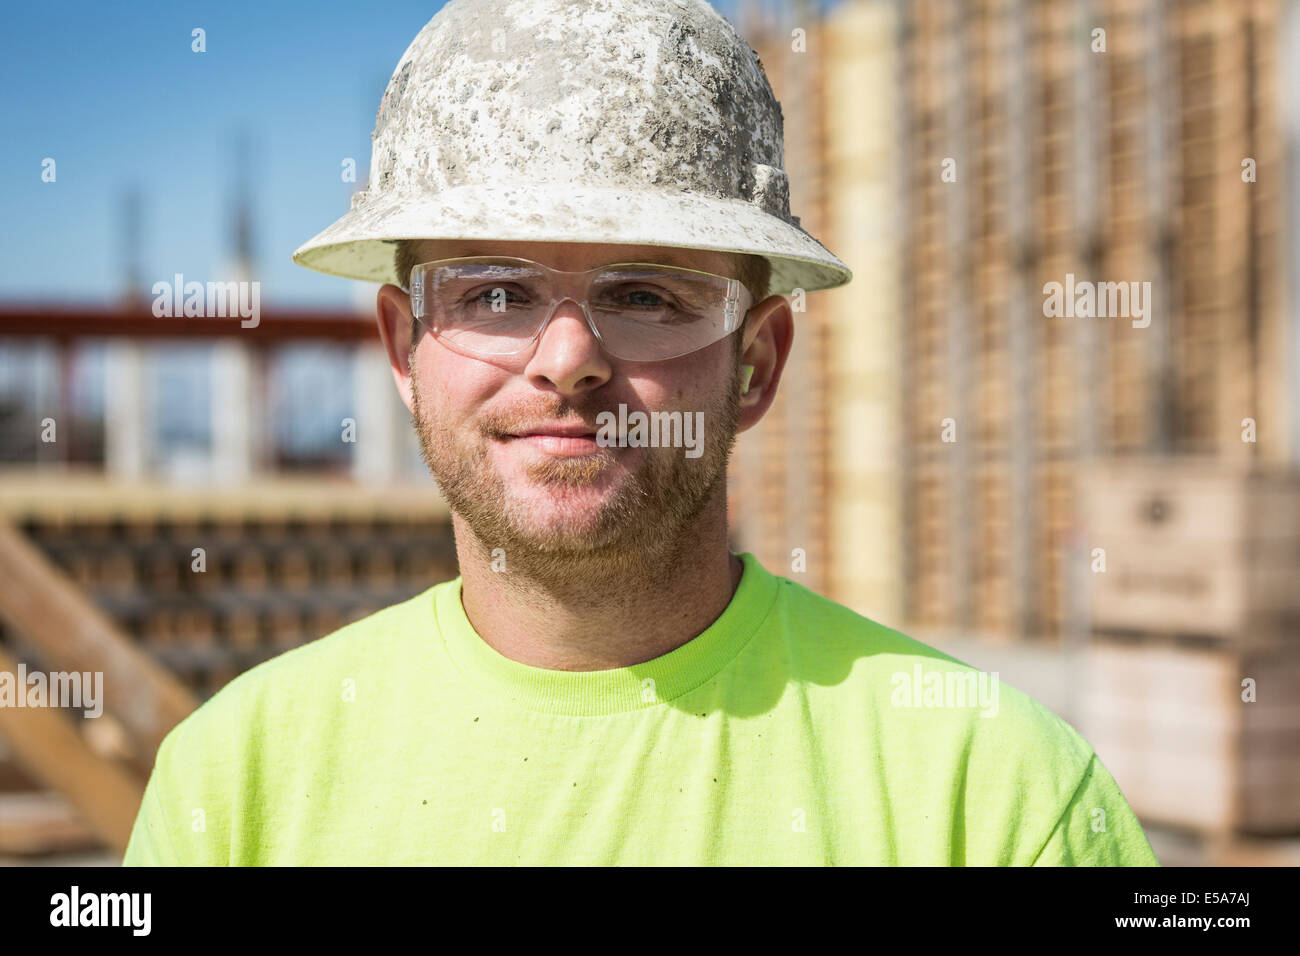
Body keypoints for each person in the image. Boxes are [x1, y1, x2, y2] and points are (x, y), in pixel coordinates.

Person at [123, 0, 1158, 866]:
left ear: (756, 361)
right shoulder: (236, 791)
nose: (567, 357)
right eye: (492, 291)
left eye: (647, 293)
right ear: (403, 348)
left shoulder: (992, 801)